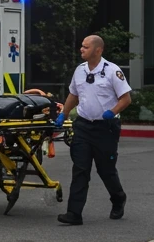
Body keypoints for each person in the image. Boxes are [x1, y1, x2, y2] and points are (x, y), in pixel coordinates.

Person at [54, 35, 132, 225]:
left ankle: (118, 198)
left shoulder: (112, 71)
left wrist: (112, 112)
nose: (81, 49)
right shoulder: (79, 71)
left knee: (106, 170)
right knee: (80, 169)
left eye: (85, 47)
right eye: (81, 46)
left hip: (106, 127)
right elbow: (74, 94)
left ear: (98, 50)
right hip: (83, 125)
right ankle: (74, 213)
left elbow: (126, 99)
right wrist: (64, 113)